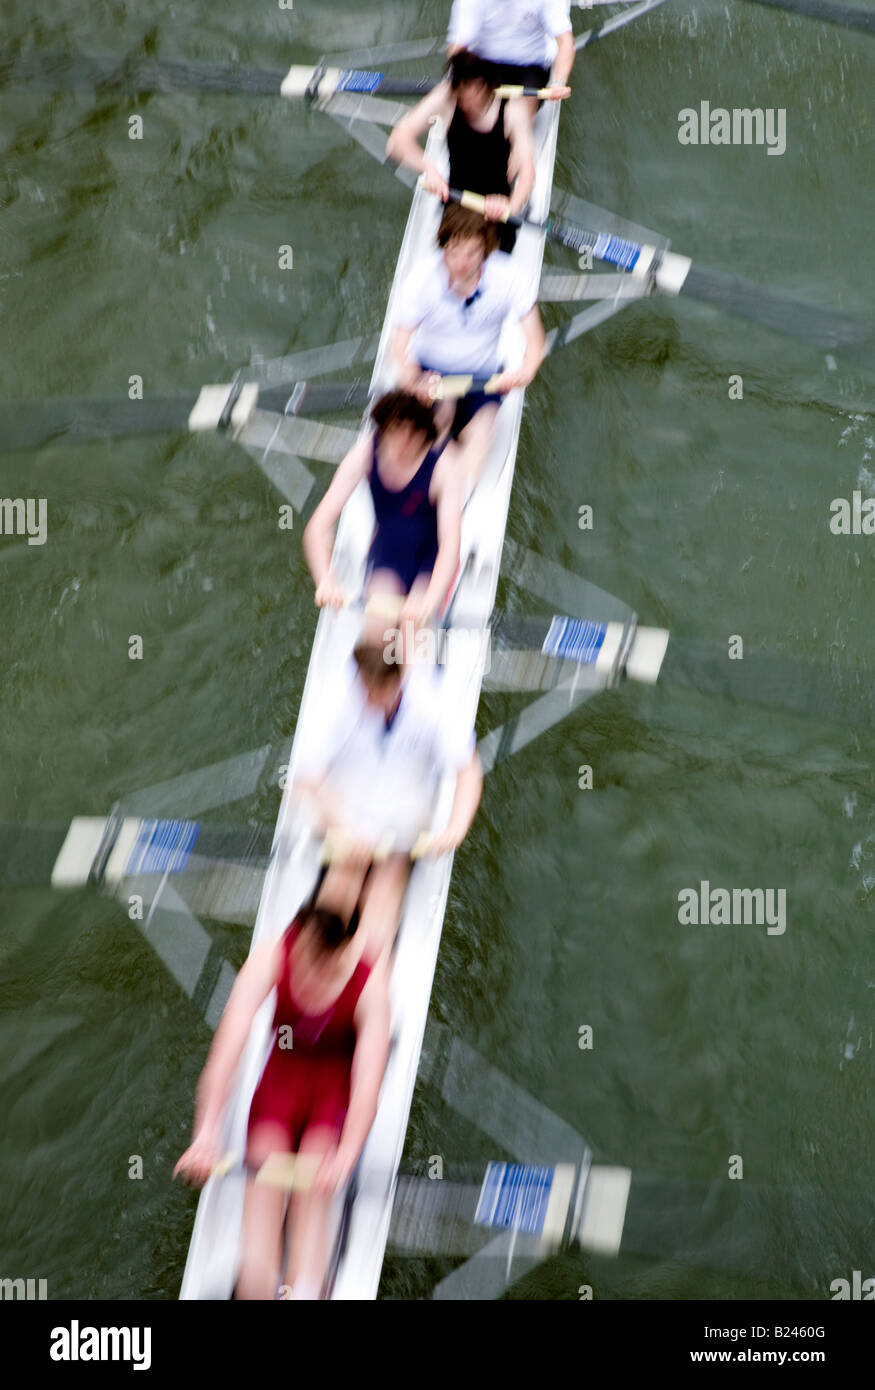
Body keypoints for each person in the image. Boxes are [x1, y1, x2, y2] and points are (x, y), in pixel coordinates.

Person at [174, 858, 391, 1300]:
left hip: (331, 1103)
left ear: (346, 947)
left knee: (311, 1208)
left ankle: (306, 1287)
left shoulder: (370, 987)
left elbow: (368, 1083)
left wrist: (346, 1156)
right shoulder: (271, 955)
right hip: (277, 1095)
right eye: (306, 953)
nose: (310, 970)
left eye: (324, 962)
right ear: (301, 929)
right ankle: (256, 1287)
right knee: (261, 1216)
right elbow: (227, 1052)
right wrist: (206, 1132)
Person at [293, 636, 483, 961]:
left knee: (388, 878)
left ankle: (367, 967)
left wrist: (456, 827)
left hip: (403, 810)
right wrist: (347, 829)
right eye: (363, 687)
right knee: (342, 876)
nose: (366, 697)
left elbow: (468, 770)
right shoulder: (339, 695)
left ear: (399, 678)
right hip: (346, 807)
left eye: (375, 691)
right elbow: (305, 780)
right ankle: (314, 958)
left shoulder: (433, 700)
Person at [390, 202, 545, 485]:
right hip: (431, 375)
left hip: (482, 380)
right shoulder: (422, 280)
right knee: (438, 421)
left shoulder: (510, 276)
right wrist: (413, 381)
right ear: (443, 247)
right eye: (453, 253)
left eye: (472, 253)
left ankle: (457, 493)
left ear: (486, 249)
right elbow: (398, 349)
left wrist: (525, 372)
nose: (461, 263)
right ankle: (426, 483)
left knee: (481, 435)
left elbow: (536, 342)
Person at [302, 391, 463, 631]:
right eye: (397, 429)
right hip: (388, 553)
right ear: (384, 427)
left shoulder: (444, 466)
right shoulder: (364, 453)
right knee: (377, 637)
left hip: (431, 557)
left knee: (412, 633)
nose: (404, 442)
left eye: (414, 432)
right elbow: (317, 527)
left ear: (426, 433)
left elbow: (450, 546)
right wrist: (324, 579)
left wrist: (427, 602)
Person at [386, 48, 535, 253]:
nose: (468, 104)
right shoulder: (446, 95)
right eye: (462, 96)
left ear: (487, 85)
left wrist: (511, 207)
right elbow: (397, 141)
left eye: (474, 94)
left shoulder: (513, 110)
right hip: (456, 203)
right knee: (456, 256)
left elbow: (528, 173)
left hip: (495, 209)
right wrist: (428, 168)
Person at [447, 0, 574, 120]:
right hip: (485, 61)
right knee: (472, 109)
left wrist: (558, 83)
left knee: (520, 113)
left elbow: (565, 42)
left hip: (530, 64)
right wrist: (457, 82)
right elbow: (458, 48)